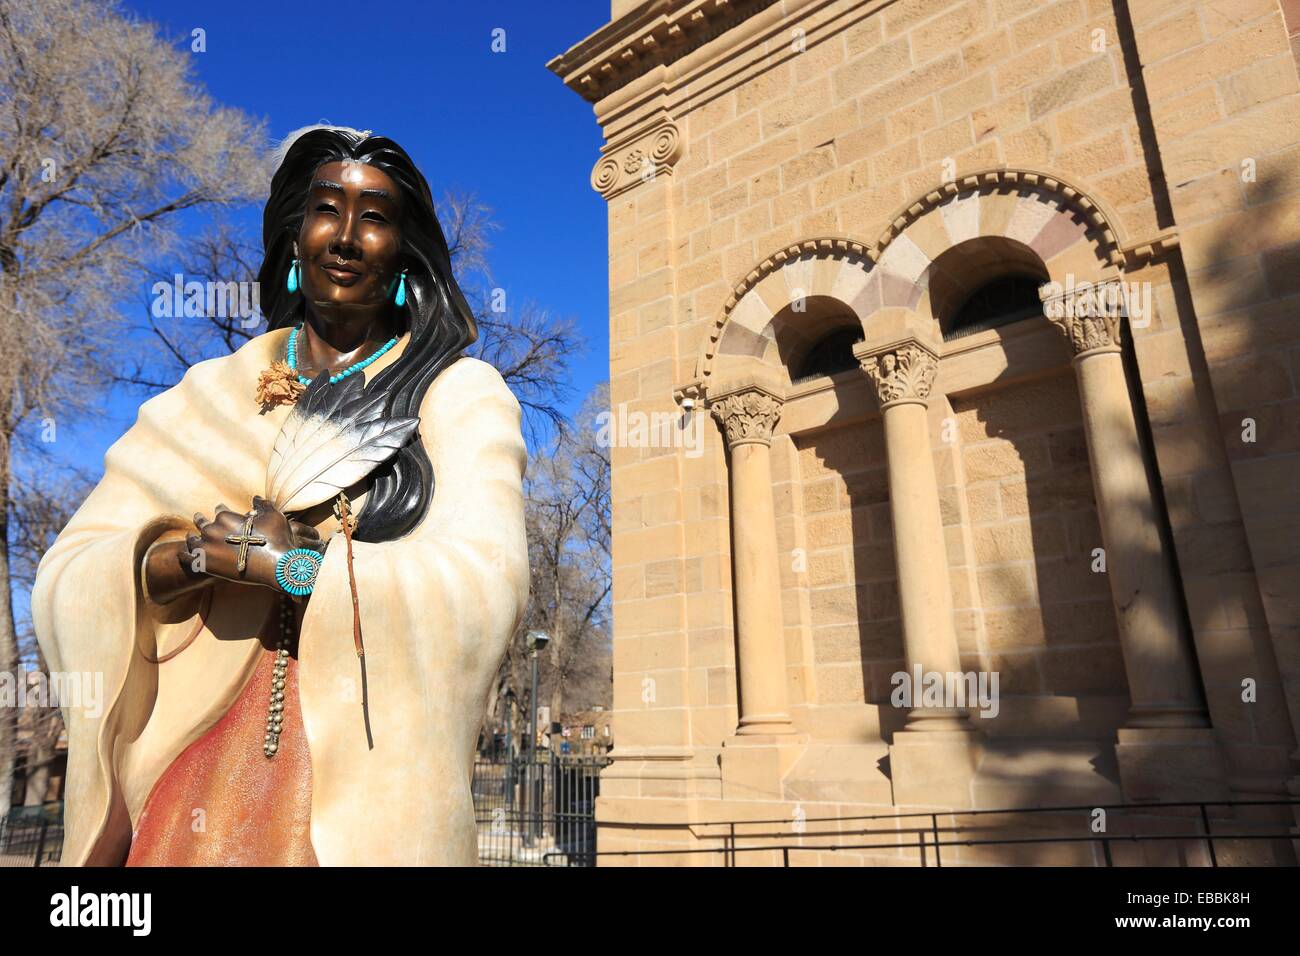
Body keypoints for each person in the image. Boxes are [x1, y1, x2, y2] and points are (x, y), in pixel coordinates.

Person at [32, 126, 529, 866]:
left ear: (404, 257)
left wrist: (297, 569)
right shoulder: (208, 395)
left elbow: (484, 589)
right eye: (327, 209)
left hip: (355, 773)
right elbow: (73, 569)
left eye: (377, 217)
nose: (347, 237)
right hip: (197, 758)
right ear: (294, 239)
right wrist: (193, 558)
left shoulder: (456, 397)